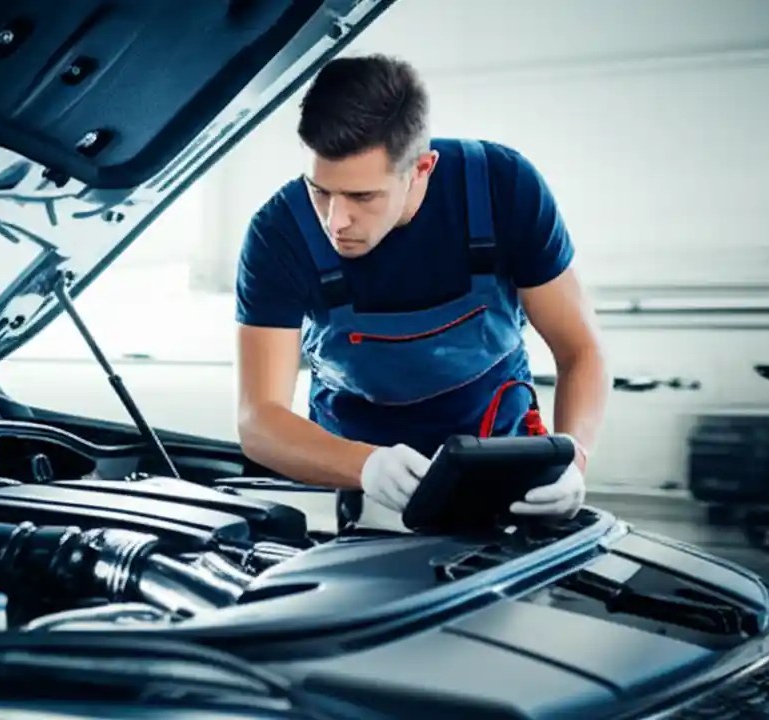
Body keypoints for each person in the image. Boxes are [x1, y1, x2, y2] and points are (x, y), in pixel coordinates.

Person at [233, 54, 610, 528]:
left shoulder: (503, 188)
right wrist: (365, 465)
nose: (335, 220)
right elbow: (258, 421)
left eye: (363, 197)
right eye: (320, 190)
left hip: (500, 465)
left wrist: (574, 459)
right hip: (362, 485)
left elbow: (581, 350)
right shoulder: (279, 233)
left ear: (423, 168)